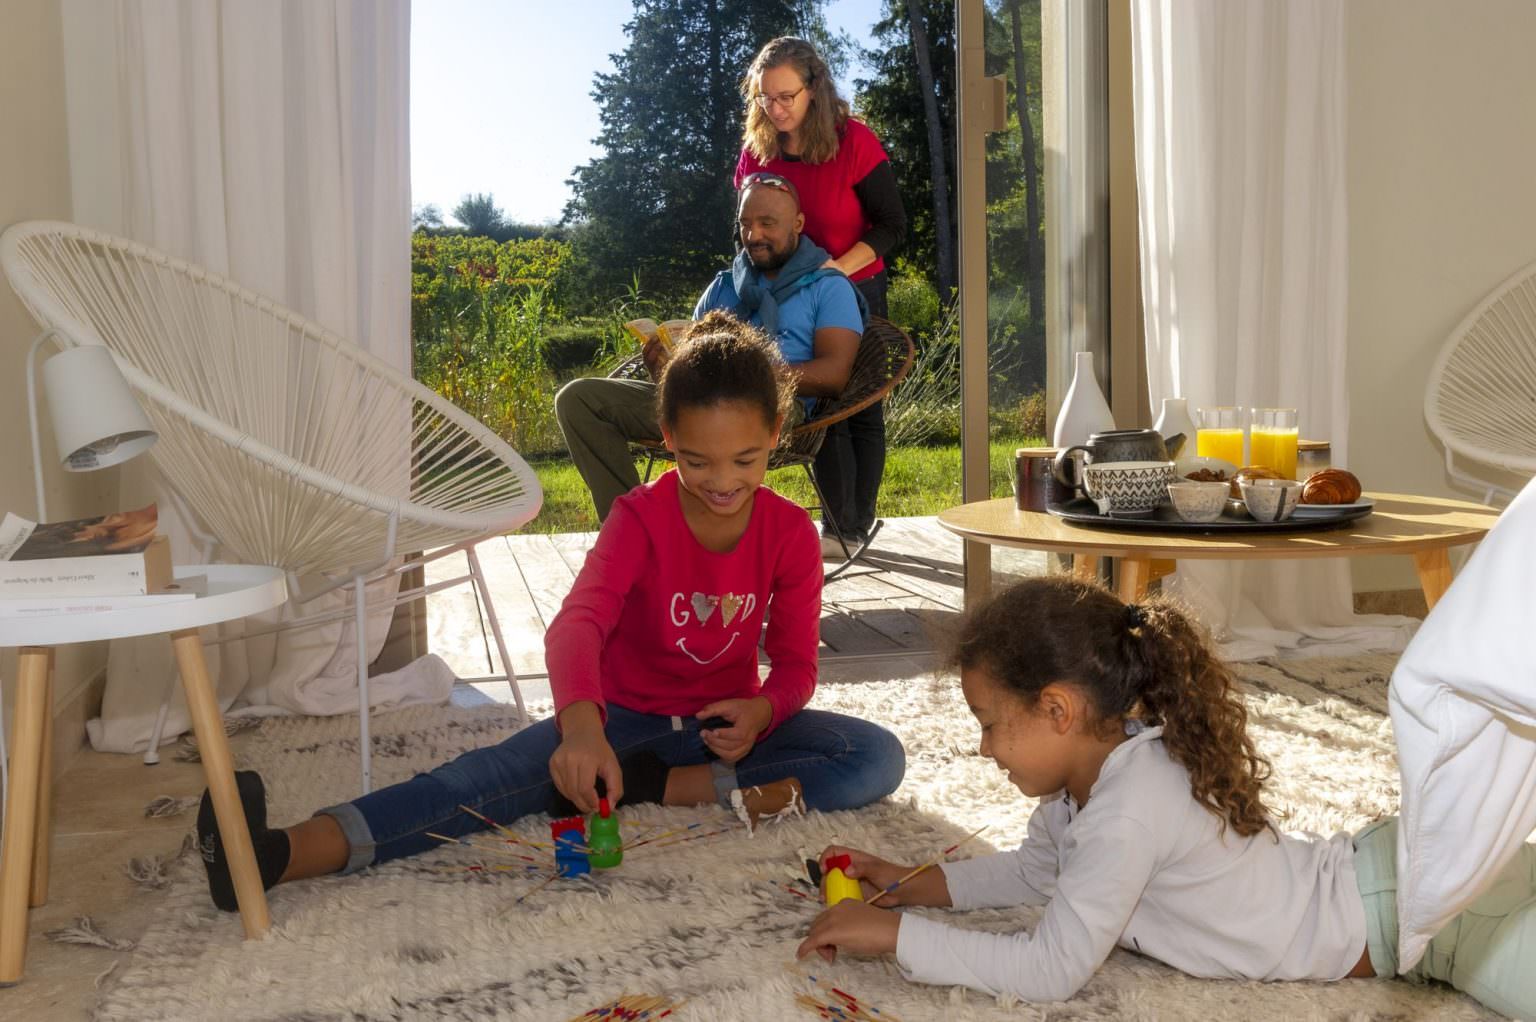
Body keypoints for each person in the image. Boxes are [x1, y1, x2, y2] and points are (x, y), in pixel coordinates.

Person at [195, 321, 906, 911]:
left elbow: (796, 666)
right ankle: (277, 854)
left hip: (727, 732)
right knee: (482, 781)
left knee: (875, 757)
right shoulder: (639, 517)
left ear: (778, 432)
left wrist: (761, 708)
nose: (723, 482)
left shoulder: (787, 533)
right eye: (697, 462)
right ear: (664, 435)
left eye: (745, 460)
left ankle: (672, 788)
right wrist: (582, 727)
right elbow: (577, 627)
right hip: (620, 719)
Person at [795, 577, 1536, 1020]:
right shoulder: (1087, 781)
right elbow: (1035, 873)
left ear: (1057, 711)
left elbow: (1051, 969)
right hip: (1394, 878)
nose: (983, 749)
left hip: (1436, 918)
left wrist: (896, 938)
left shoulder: (1127, 808)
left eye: (991, 726)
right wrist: (910, 884)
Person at [556, 174, 864, 523]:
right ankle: (633, 531)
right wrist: (665, 368)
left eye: (767, 224)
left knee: (721, 418)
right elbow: (689, 355)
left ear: (798, 223)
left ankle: (694, 541)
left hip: (767, 404)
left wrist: (747, 374)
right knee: (577, 399)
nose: (754, 236)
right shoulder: (724, 284)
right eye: (745, 224)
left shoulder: (828, 287)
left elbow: (834, 375)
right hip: (695, 398)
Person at [738, 36, 907, 553]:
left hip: (853, 284)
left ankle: (853, 523)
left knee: (858, 408)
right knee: (819, 406)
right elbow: (747, 225)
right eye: (766, 97)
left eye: (787, 95)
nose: (778, 108)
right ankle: (839, 525)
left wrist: (833, 270)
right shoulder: (755, 150)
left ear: (814, 89)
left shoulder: (852, 140)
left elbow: (892, 225)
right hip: (787, 293)